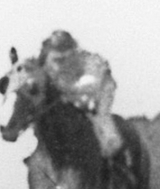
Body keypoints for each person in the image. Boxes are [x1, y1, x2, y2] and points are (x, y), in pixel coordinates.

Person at [37, 29, 121, 157]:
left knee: (99, 113)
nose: (60, 63)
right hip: (71, 90)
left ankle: (111, 142)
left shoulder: (87, 60)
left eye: (64, 57)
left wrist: (69, 90)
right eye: (57, 58)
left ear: (72, 51)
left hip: (102, 87)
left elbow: (93, 84)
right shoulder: (47, 59)